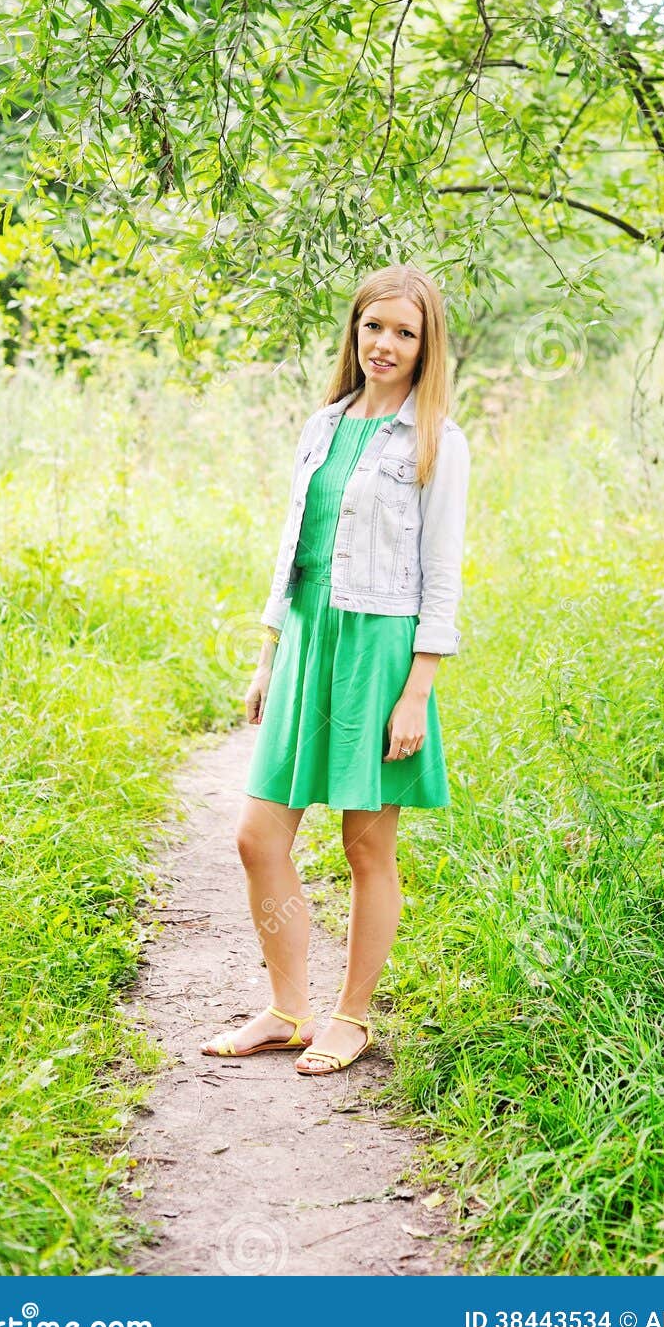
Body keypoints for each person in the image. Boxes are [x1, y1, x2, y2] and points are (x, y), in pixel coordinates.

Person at [201, 263, 471, 1075]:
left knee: (365, 846)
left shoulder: (437, 439)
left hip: (380, 649)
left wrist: (416, 691)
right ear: (353, 332)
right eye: (373, 327)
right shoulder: (323, 424)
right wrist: (267, 656)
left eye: (404, 332)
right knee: (257, 837)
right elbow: (294, 551)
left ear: (427, 347)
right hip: (309, 636)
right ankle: (288, 1008)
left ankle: (350, 1017)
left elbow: (442, 571)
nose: (384, 344)